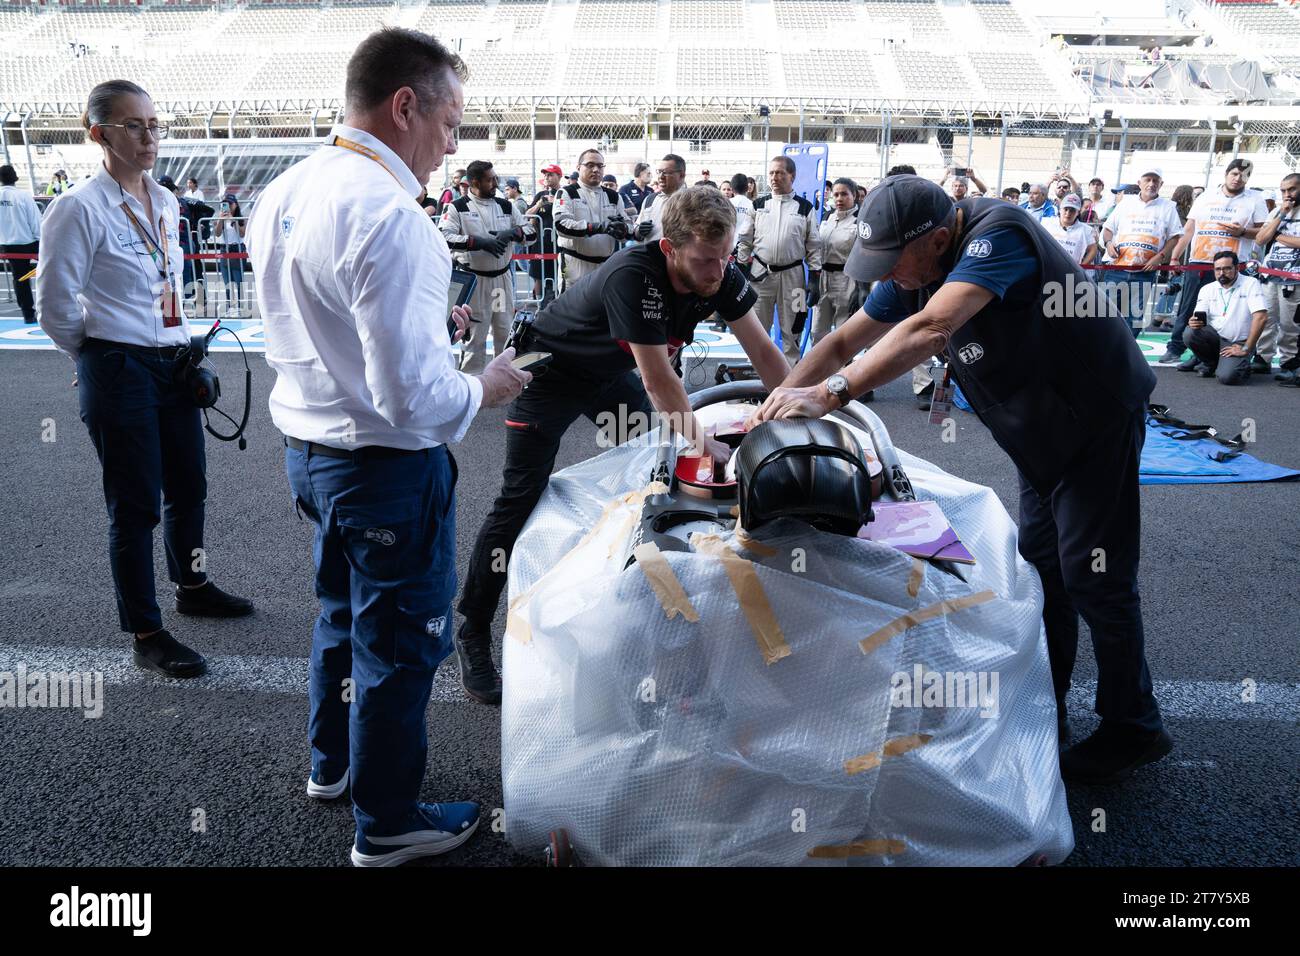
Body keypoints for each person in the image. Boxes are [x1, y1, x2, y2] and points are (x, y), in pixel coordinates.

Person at [751, 175, 1171, 784]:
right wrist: (775, 404)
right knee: (1043, 570)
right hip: (1041, 432)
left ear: (940, 239)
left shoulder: (997, 233)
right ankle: (1043, 705)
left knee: (1094, 577)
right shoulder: (917, 267)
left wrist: (829, 394)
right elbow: (842, 339)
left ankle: (1134, 726)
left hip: (1093, 421)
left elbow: (930, 330)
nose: (889, 275)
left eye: (894, 262)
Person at [245, 27, 531, 867]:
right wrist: (488, 383)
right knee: (402, 644)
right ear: (405, 105)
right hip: (383, 465)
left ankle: (333, 766)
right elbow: (419, 403)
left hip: (312, 448)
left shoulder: (289, 187)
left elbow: (312, 317)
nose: (453, 145)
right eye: (450, 123)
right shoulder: (393, 216)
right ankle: (390, 820)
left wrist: (419, 329)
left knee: (340, 615)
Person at [454, 187, 791, 704]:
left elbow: (764, 349)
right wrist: (706, 444)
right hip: (545, 372)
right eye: (705, 260)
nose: (718, 272)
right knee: (519, 498)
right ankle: (473, 628)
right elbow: (659, 383)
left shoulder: (718, 268)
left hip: (607, 374)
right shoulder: (637, 276)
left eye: (726, 257)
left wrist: (794, 408)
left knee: (658, 477)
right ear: (671, 247)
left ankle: (647, 604)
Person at [37, 80, 253, 681]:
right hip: (118, 364)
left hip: (172, 361)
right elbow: (56, 305)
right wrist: (99, 359)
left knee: (189, 486)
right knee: (134, 507)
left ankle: (193, 582)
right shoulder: (77, 207)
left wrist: (179, 348)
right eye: (134, 126)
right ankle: (146, 630)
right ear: (98, 133)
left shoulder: (165, 202)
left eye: (155, 124)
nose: (149, 135)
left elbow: (169, 289)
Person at [1166, 159, 1269, 370]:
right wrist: (1176, 256)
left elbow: (1263, 234)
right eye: (1234, 173)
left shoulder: (1255, 199)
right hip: (1200, 262)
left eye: (1243, 175)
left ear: (1249, 178)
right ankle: (1182, 349)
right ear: (1226, 173)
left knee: (1228, 313)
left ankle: (1223, 356)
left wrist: (1242, 232)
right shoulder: (1206, 196)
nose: (1238, 178)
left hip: (1232, 266)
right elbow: (1189, 228)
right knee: (1190, 310)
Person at [440, 159, 533, 372]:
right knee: (474, 335)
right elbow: (444, 237)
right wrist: (478, 243)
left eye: (495, 179)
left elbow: (531, 232)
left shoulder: (505, 205)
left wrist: (514, 232)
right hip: (474, 282)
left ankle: (503, 377)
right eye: (490, 180)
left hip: (501, 280)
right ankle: (471, 385)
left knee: (504, 330)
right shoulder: (457, 207)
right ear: (474, 182)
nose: (495, 183)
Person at [736, 155, 822, 364]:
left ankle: (790, 377)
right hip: (760, 275)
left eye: (780, 173)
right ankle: (756, 376)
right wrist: (741, 269)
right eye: (772, 173)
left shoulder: (805, 207)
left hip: (795, 277)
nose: (774, 177)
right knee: (756, 329)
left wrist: (815, 279)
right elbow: (745, 240)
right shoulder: (757, 205)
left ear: (792, 176)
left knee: (794, 328)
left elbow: (814, 245)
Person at [1098, 167, 1181, 341]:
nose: (1151, 184)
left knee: (1134, 318)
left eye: (1155, 181)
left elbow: (1174, 237)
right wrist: (1108, 243)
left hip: (1144, 272)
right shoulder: (1125, 203)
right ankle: (1103, 349)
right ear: (1139, 183)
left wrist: (1160, 257)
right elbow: (1107, 230)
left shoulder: (1168, 207)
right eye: (1147, 179)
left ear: (1161, 184)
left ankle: (1125, 352)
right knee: (1105, 313)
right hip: (1116, 269)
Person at [1184, 251, 1268, 385]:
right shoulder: (1207, 289)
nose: (1222, 273)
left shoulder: (1250, 284)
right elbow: (1199, 317)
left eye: (1227, 268)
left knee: (1228, 378)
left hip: (1240, 342)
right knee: (1190, 332)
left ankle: (1240, 364)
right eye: (1218, 269)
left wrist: (1246, 348)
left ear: (1237, 268)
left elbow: (1261, 317)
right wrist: (1193, 322)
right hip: (1216, 338)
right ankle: (1211, 364)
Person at [554, 148, 632, 288]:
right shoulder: (566, 193)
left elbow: (627, 227)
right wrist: (597, 227)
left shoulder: (613, 196)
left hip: (605, 267)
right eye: (590, 165)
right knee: (572, 309)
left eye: (600, 166)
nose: (596, 169)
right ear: (578, 168)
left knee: (601, 309)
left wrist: (624, 229)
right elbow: (561, 225)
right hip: (575, 266)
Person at [1254, 172, 1300, 378]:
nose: (1287, 194)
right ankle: (1263, 358)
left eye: (1292, 189)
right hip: (1270, 275)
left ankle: (1289, 362)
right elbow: (1261, 239)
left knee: (1290, 324)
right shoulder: (1277, 212)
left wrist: (1278, 235)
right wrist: (1281, 214)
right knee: (1267, 319)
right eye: (1283, 190)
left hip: (1294, 278)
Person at [816, 177, 859, 348]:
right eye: (836, 195)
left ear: (854, 195)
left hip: (846, 279)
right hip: (823, 278)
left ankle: (842, 372)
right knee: (818, 331)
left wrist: (861, 288)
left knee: (844, 333)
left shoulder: (860, 219)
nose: (839, 199)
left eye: (844, 194)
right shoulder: (827, 216)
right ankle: (818, 372)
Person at [0, 164, 41, 323]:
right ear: (15, 177)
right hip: (27, 242)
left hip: (6, 243)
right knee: (47, 273)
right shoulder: (22, 196)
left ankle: (28, 314)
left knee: (19, 278)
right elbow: (36, 222)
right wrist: (41, 241)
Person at [525, 163, 563, 302]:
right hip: (541, 242)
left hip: (559, 242)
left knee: (560, 273)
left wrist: (555, 201)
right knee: (538, 274)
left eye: (550, 174)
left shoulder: (564, 193)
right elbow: (527, 214)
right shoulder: (541, 195)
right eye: (545, 175)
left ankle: (559, 301)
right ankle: (539, 304)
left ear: (559, 176)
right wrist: (539, 204)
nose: (547, 177)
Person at [634, 153, 687, 242]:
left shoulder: (692, 201)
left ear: (681, 175)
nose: (660, 177)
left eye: (666, 173)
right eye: (659, 172)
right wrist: (639, 231)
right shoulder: (650, 199)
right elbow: (636, 228)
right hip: (650, 254)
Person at [211, 193, 246, 316]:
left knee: (238, 280)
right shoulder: (221, 218)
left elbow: (242, 234)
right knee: (227, 281)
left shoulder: (240, 219)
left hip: (237, 249)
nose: (228, 207)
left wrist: (232, 219)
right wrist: (221, 219)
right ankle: (229, 306)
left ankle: (241, 305)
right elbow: (217, 233)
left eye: (230, 204)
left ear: (236, 205)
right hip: (224, 250)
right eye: (225, 204)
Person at [1042, 193, 1097, 266]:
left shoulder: (1086, 230)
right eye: (1066, 209)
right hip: (1048, 269)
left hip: (1070, 272)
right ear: (1060, 210)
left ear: (1078, 212)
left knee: (1070, 278)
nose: (1068, 213)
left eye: (1072, 210)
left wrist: (1081, 267)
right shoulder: (1046, 223)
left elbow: (1093, 250)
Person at [727, 171, 754, 249]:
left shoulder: (727, 203)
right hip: (745, 247)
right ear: (747, 188)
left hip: (728, 246)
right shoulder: (752, 205)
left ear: (732, 189)